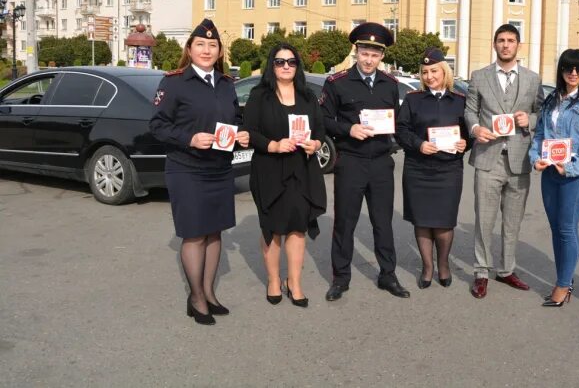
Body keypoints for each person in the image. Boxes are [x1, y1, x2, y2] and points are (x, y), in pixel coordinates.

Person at [150, 18, 250, 325]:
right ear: (190, 49)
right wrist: (189, 138)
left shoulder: (226, 84)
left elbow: (233, 119)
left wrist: (241, 134)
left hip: (219, 168)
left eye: (213, 45)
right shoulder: (174, 82)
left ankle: (209, 292)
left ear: (220, 51)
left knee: (214, 231)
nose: (207, 50)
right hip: (187, 169)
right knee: (194, 235)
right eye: (201, 45)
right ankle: (195, 298)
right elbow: (157, 126)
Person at [320, 22, 410, 301]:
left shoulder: (390, 84)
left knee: (382, 222)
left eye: (375, 54)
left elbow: (396, 121)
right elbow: (322, 119)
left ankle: (387, 275)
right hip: (351, 161)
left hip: (382, 162)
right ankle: (341, 277)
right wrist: (349, 129)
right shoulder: (337, 83)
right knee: (345, 222)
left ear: (382, 56)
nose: (369, 59)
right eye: (364, 53)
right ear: (355, 52)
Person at [465, 23, 544, 299]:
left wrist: (530, 120)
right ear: (495, 44)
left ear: (518, 45)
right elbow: (470, 111)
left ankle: (507, 269)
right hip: (488, 158)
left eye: (511, 40)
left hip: (519, 160)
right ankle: (482, 272)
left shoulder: (533, 80)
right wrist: (475, 129)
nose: (506, 45)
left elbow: (541, 113)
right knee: (484, 220)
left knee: (512, 222)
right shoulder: (479, 76)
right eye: (501, 40)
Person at [244, 43, 326, 308]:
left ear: (297, 65)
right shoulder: (260, 95)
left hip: (302, 170)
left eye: (291, 61)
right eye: (280, 62)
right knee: (272, 229)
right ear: (272, 65)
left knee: (297, 227)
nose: (286, 66)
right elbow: (249, 132)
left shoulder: (308, 96)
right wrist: (273, 145)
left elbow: (320, 132)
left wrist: (315, 144)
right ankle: (273, 280)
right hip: (269, 169)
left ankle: (295, 282)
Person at [529, 49, 579, 307]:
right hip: (549, 173)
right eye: (568, 68)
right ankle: (564, 278)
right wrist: (535, 158)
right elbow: (540, 135)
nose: (573, 74)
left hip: (574, 177)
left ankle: (563, 284)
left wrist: (570, 168)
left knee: (567, 229)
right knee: (556, 228)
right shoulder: (552, 100)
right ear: (561, 71)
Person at [396, 48, 469, 289]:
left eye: (434, 71)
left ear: (444, 71)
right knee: (422, 221)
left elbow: (471, 133)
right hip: (418, 168)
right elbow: (401, 130)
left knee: (444, 221)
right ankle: (428, 268)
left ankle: (444, 264)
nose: (429, 76)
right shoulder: (413, 99)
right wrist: (419, 144)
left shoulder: (460, 101)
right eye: (425, 72)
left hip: (448, 170)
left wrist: (465, 143)